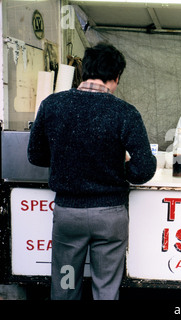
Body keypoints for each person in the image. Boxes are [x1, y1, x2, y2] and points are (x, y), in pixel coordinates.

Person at [28, 42, 157, 300]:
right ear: (116, 77)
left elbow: (36, 155)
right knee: (106, 289)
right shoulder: (125, 113)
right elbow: (144, 168)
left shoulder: (52, 105)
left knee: (65, 285)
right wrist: (116, 168)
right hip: (110, 219)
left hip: (68, 219)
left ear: (84, 71)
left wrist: (68, 160)